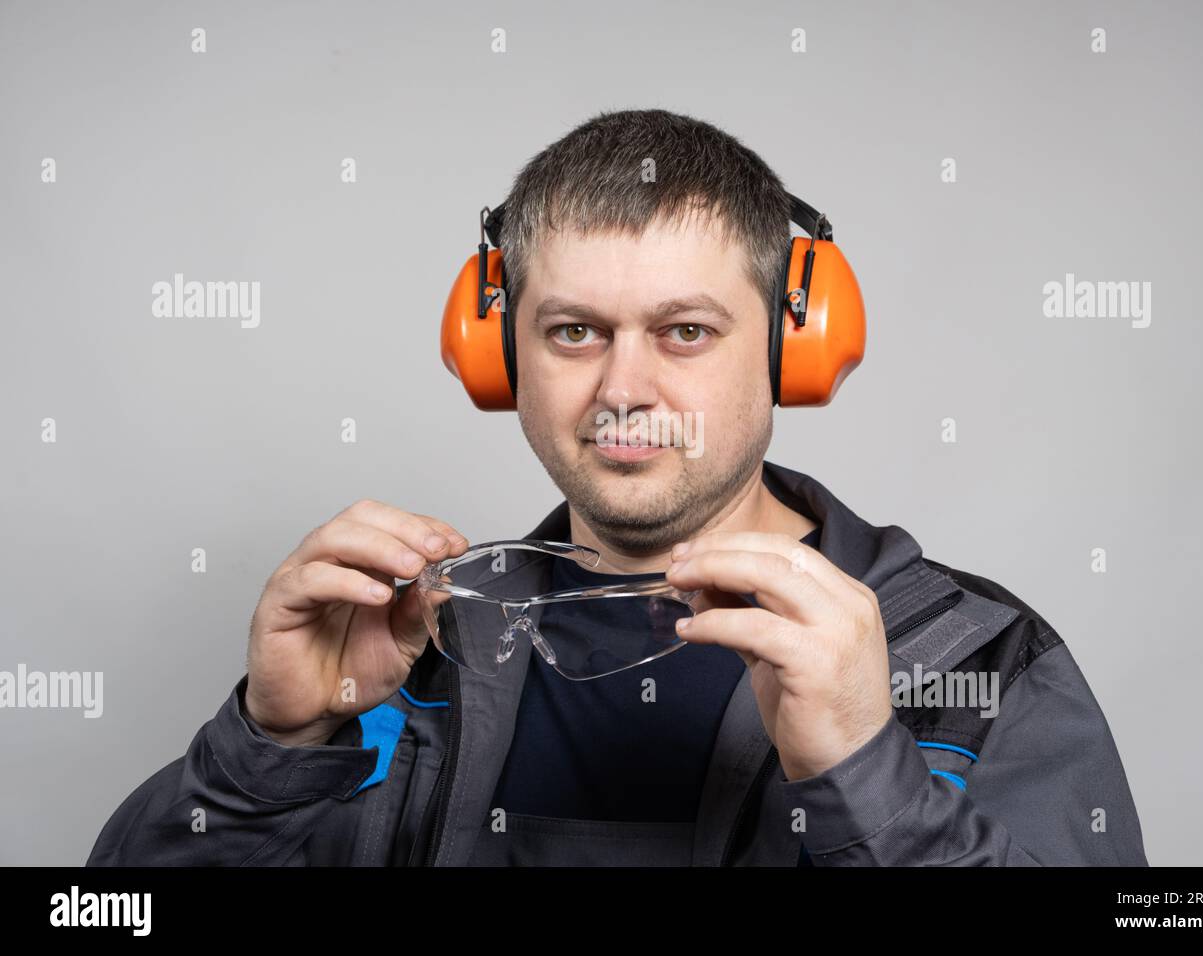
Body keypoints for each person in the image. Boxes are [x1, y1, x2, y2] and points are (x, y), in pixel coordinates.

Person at [87, 108, 1147, 866]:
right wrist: (270, 752)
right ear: (497, 357)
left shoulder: (981, 659)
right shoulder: (404, 653)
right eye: (573, 331)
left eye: (684, 331)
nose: (624, 387)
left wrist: (868, 775)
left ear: (793, 352)